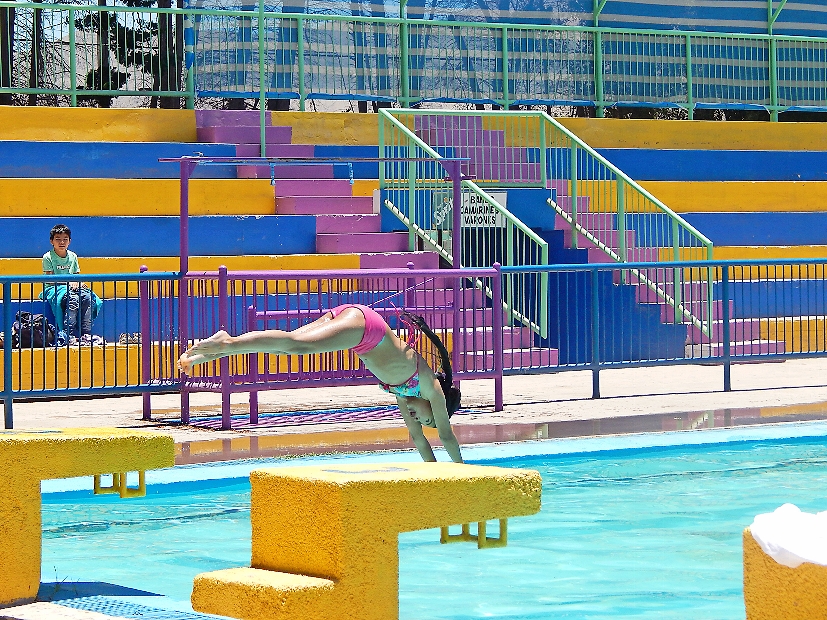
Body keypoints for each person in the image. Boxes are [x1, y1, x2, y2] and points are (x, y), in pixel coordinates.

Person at [178, 305, 464, 463]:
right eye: (427, 417)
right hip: (366, 328)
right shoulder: (430, 388)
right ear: (433, 405)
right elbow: (447, 437)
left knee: (288, 346)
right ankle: (227, 342)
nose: (418, 418)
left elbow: (419, 440)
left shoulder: (404, 394)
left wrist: (437, 478)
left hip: (357, 327)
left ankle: (214, 351)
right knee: (296, 346)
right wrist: (462, 475)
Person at [41, 224, 103, 346]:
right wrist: (70, 282)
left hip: (72, 286)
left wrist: (78, 282)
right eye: (58, 239)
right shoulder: (47, 257)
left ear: (70, 241)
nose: (62, 242)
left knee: (89, 298)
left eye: (65, 239)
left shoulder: (73, 256)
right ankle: (67, 334)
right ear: (51, 241)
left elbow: (77, 276)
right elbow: (49, 280)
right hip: (55, 288)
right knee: (73, 299)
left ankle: (86, 333)